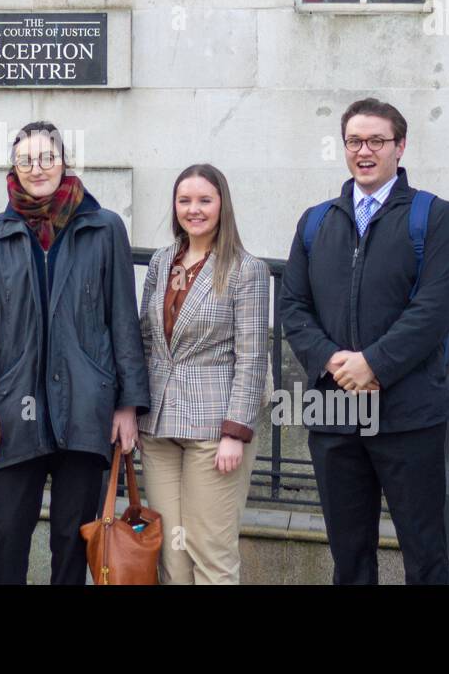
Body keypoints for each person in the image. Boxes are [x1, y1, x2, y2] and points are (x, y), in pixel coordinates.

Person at [279, 98, 449, 585]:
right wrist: (331, 360)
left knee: (426, 556)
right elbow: (293, 306)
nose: (365, 151)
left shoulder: (435, 216)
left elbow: (435, 309)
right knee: (349, 556)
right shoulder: (316, 221)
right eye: (355, 141)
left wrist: (375, 365)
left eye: (377, 141)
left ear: (400, 147)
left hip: (410, 412)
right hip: (335, 411)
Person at [0, 121, 149, 585]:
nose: (37, 167)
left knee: (72, 537)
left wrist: (127, 404)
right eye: (26, 159)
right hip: (14, 407)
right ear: (14, 167)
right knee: (8, 533)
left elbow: (123, 317)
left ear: (64, 162)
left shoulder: (103, 228)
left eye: (47, 157)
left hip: (87, 406)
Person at [138, 164, 271, 584]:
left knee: (210, 550)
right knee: (172, 554)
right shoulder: (163, 261)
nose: (193, 209)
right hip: (159, 427)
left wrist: (235, 432)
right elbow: (145, 338)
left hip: (214, 429)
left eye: (204, 200)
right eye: (184, 201)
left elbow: (252, 357)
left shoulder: (245, 269)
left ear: (222, 205)